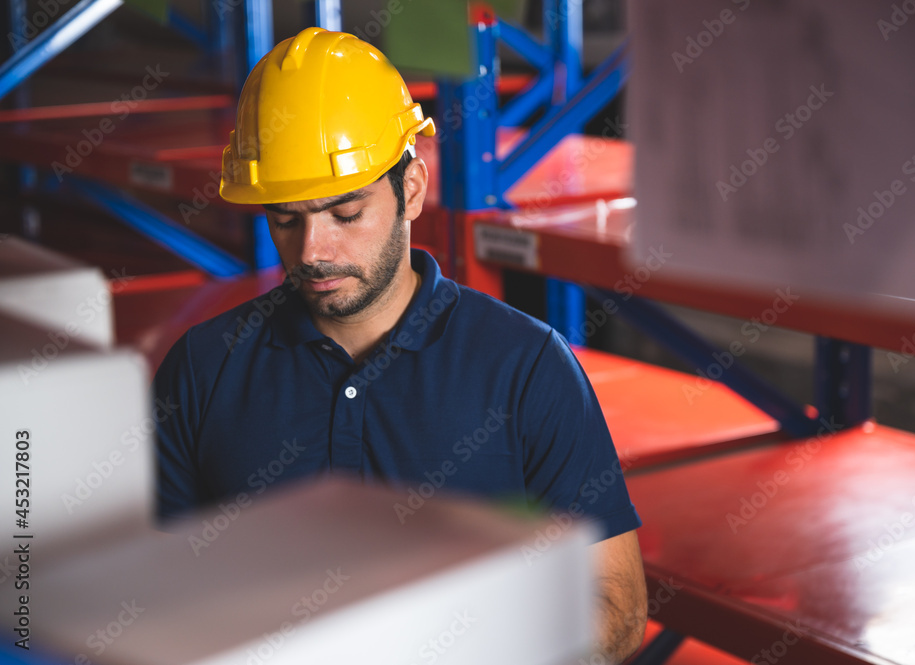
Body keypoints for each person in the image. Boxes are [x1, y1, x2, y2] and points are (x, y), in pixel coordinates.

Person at [154, 27, 646, 663]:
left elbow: (617, 608)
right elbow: (152, 592)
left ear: (410, 190)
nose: (312, 252)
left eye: (345, 214)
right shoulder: (202, 368)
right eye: (285, 218)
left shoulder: (524, 367)